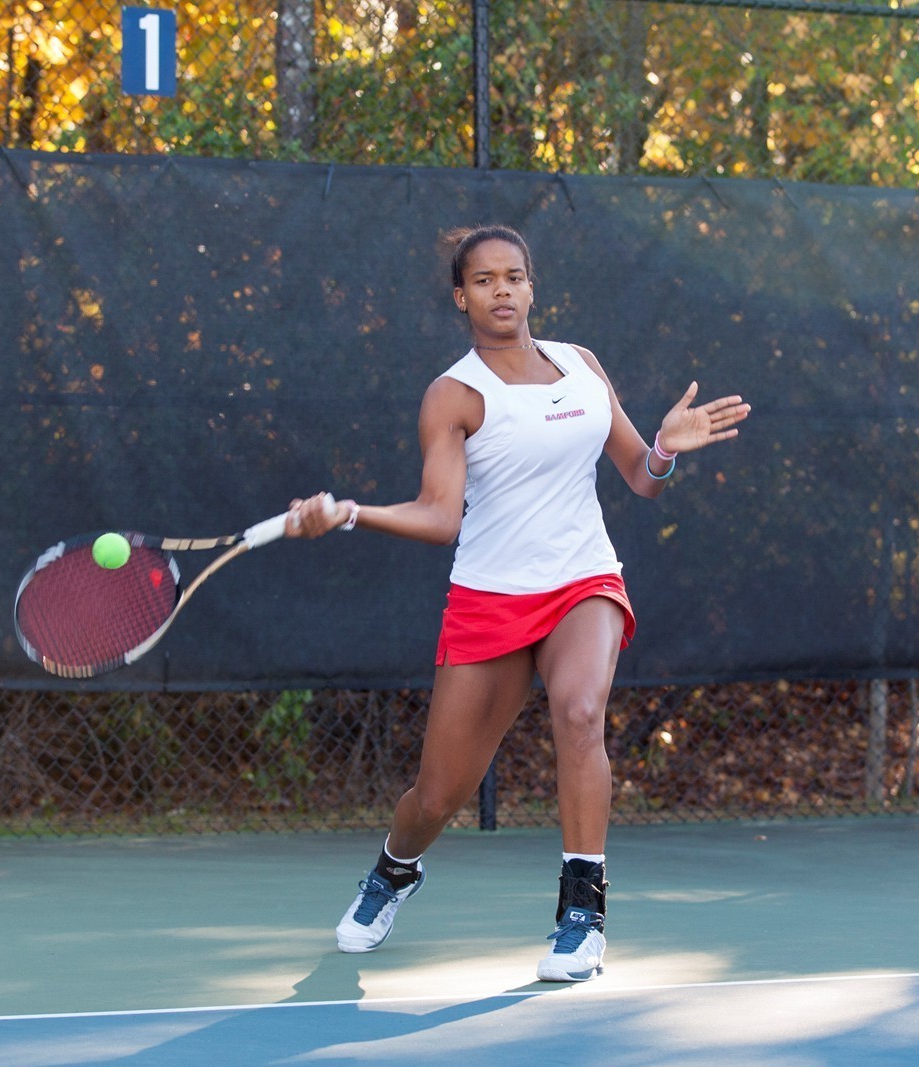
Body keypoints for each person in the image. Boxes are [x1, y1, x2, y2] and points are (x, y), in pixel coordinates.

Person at [285, 224, 749, 982]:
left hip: (583, 578)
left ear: (533, 287)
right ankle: (395, 869)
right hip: (491, 595)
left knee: (578, 712)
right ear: (460, 296)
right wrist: (352, 512)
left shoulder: (582, 365)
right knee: (439, 793)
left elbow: (640, 475)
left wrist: (665, 448)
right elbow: (440, 518)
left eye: (515, 275)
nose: (502, 290)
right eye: (485, 279)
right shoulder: (454, 393)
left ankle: (581, 914)